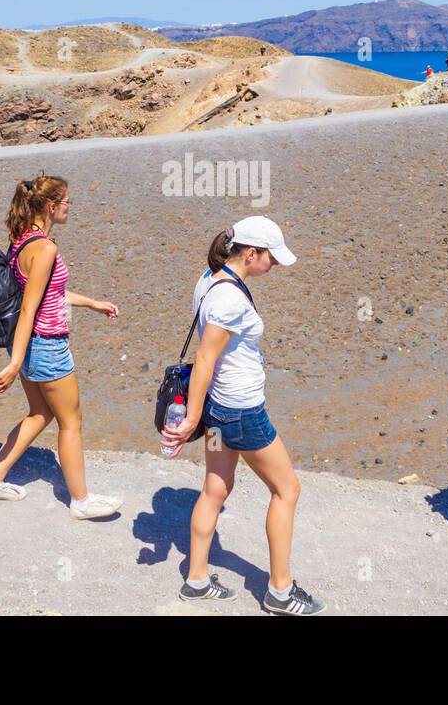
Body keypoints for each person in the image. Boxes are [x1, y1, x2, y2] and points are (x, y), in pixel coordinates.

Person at [162, 216, 326, 615]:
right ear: (250, 254)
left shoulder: (210, 278)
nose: (274, 267)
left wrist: (202, 415)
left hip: (221, 413)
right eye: (271, 258)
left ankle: (197, 580)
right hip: (241, 413)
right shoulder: (230, 298)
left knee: (215, 490)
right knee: (287, 491)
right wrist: (189, 421)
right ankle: (280, 592)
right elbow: (205, 357)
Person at [0, 175, 124, 520]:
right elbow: (28, 307)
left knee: (40, 413)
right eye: (67, 202)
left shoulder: (22, 242)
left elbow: (46, 295)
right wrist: (14, 365)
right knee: (71, 421)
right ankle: (81, 502)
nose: (70, 208)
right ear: (50, 206)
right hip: (46, 346)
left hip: (28, 344)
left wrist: (92, 303)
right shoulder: (45, 248)